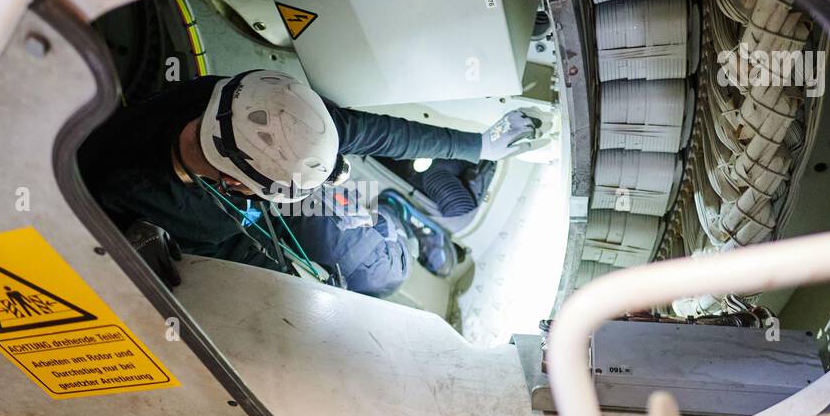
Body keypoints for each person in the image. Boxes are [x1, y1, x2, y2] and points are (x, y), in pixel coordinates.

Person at [81, 70, 539, 295]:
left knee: (380, 267)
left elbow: (376, 132)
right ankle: (383, 226)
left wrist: (478, 145)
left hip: (261, 204)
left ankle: (393, 226)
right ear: (233, 183)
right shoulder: (127, 195)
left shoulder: (248, 105)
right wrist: (304, 289)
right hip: (234, 241)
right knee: (369, 280)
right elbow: (218, 261)